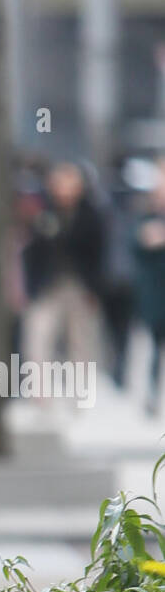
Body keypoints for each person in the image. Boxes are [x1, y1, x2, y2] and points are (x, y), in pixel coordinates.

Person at [21, 160, 107, 372]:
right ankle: (40, 393)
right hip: (46, 285)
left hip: (80, 286)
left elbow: (99, 254)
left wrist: (95, 289)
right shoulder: (41, 211)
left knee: (81, 342)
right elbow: (31, 251)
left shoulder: (91, 214)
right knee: (39, 337)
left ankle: (78, 393)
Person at [131, 155, 165, 415]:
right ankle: (151, 396)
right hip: (155, 291)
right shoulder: (145, 213)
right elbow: (133, 247)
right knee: (154, 347)